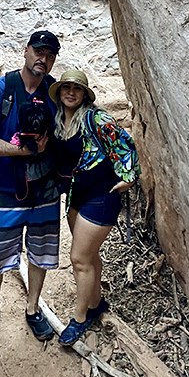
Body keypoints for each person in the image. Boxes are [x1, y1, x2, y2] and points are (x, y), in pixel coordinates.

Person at [0, 30, 61, 342]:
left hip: (44, 189)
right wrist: (21, 150)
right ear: (26, 50)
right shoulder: (2, 89)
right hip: (8, 188)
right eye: (39, 52)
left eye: (49, 55)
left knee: (40, 252)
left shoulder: (55, 93)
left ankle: (33, 308)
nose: (43, 59)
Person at [50, 69, 140, 345]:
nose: (71, 92)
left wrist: (128, 177)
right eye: (66, 87)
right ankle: (96, 302)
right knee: (88, 255)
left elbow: (125, 144)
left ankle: (80, 318)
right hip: (77, 193)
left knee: (79, 259)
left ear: (85, 94)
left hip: (102, 195)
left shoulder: (96, 118)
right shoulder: (59, 120)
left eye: (77, 88)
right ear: (60, 91)